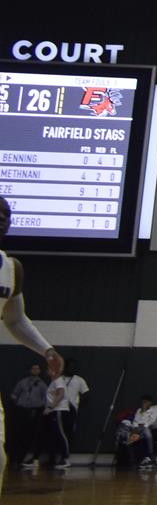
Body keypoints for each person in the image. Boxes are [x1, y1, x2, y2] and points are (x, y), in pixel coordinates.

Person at [0, 197, 64, 483]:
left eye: (6, 214)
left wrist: (46, 350)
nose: (2, 218)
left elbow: (15, 320)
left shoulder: (12, 268)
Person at [43, 357, 86, 471]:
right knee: (55, 435)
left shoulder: (58, 380)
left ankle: (66, 458)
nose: (47, 371)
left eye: (49, 369)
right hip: (56, 411)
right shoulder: (55, 380)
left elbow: (61, 394)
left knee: (62, 435)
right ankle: (55, 458)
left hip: (59, 410)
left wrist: (50, 407)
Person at [8, 362, 45, 472]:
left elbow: (46, 398)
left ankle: (28, 457)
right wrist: (17, 403)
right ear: (30, 370)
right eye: (33, 368)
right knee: (19, 434)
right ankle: (16, 457)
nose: (35, 371)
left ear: (40, 371)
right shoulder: (23, 382)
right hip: (22, 410)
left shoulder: (42, 384)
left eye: (37, 369)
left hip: (35, 411)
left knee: (31, 435)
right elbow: (14, 394)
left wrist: (39, 406)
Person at [119, 394, 157, 469]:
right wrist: (142, 412)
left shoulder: (155, 410)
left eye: (146, 402)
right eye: (143, 402)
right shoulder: (139, 410)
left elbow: (152, 421)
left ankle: (151, 453)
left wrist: (143, 426)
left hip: (148, 429)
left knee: (146, 431)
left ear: (150, 403)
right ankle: (131, 459)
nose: (144, 403)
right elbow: (135, 421)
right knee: (128, 434)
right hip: (138, 430)